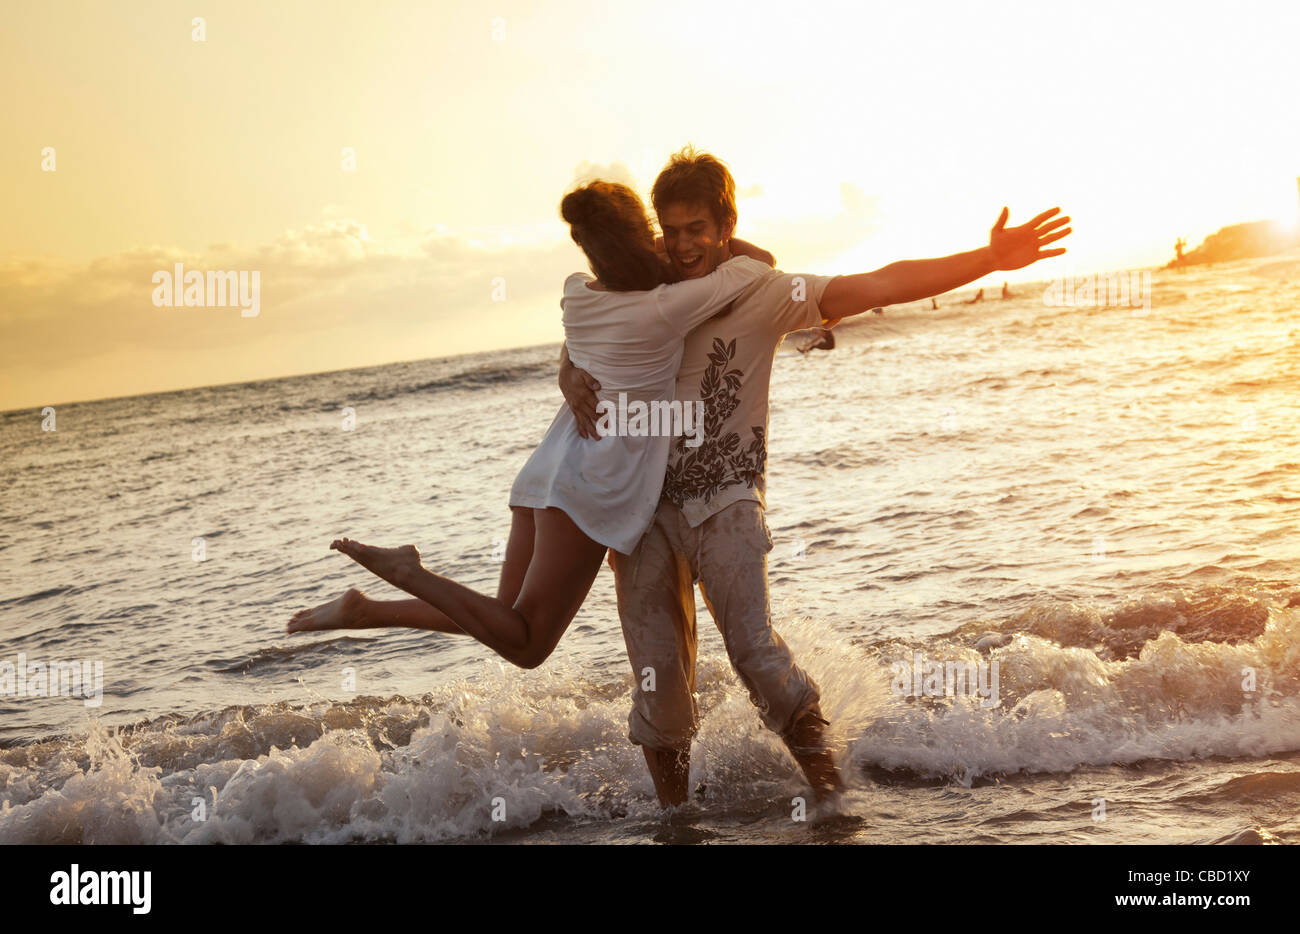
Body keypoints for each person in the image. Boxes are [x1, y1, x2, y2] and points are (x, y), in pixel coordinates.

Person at [559, 147, 1071, 807]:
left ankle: (830, 797)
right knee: (657, 681)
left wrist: (989, 259)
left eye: (698, 229)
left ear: (725, 225)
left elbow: (878, 284)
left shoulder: (765, 293)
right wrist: (567, 373)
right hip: (641, 510)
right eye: (672, 230)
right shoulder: (640, 285)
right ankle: (676, 821)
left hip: (727, 502)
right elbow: (585, 331)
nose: (683, 245)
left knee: (754, 654)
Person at [287, 180, 773, 673]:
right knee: (527, 646)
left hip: (546, 473)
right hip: (587, 487)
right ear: (644, 232)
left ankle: (366, 611)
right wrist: (696, 238)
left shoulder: (576, 293)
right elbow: (761, 263)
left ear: (586, 245)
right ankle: (410, 573)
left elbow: (600, 324)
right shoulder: (668, 303)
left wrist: (566, 369)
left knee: (501, 617)